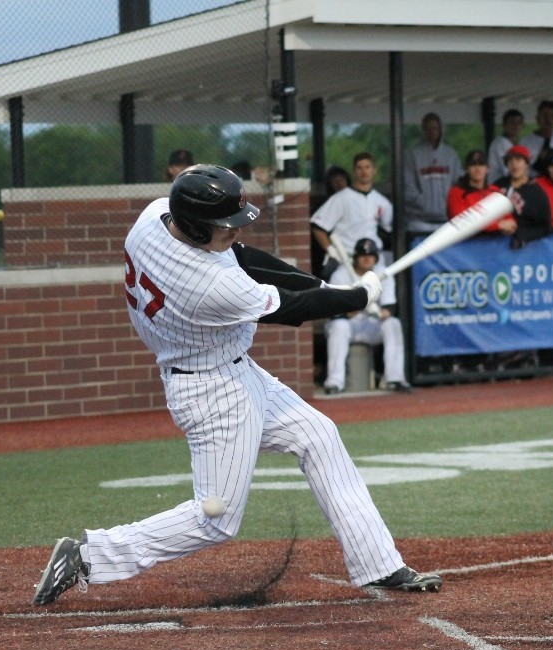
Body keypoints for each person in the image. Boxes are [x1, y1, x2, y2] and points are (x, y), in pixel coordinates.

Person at [32, 164, 441, 606]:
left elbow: (245, 257)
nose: (232, 230)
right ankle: (90, 556)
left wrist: (327, 285)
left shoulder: (155, 218)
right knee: (216, 521)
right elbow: (294, 310)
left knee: (318, 436)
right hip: (213, 393)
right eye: (223, 224)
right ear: (193, 225)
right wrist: (355, 296)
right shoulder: (209, 285)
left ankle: (378, 565)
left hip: (230, 370)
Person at [323, 239, 412, 395]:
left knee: (393, 324)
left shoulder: (383, 273)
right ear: (356, 257)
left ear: (376, 258)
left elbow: (389, 308)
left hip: (371, 324)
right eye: (363, 255)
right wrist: (360, 305)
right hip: (348, 325)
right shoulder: (341, 275)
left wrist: (377, 312)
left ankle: (395, 379)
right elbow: (334, 313)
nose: (367, 259)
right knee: (339, 327)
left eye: (371, 255)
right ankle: (334, 382)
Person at [311, 152, 394, 278]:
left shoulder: (383, 202)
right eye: (359, 168)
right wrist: (331, 251)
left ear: (374, 170)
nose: (364, 171)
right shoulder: (341, 198)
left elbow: (388, 229)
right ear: (354, 171)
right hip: (347, 260)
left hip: (373, 261)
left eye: (367, 167)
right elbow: (318, 227)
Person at [403, 112, 462, 234]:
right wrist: (422, 202)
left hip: (446, 220)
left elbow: (458, 184)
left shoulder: (451, 154)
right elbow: (407, 186)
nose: (432, 132)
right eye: (428, 128)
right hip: (419, 222)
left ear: (440, 130)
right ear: (423, 130)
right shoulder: (411, 154)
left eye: (435, 128)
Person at [493, 145, 552, 249]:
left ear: (526, 164)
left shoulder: (536, 193)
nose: (514, 164)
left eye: (518, 160)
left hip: (521, 249)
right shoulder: (498, 185)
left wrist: (521, 235)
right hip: (492, 243)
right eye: (510, 161)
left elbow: (545, 227)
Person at [447, 150, 515, 234]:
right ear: (466, 169)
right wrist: (497, 225)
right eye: (473, 165)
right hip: (467, 243)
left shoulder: (495, 191)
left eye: (481, 165)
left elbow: (509, 219)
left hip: (495, 242)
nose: (477, 169)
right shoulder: (456, 192)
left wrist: (509, 224)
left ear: (488, 169)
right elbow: (462, 222)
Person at [487, 108, 525, 184]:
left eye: (518, 123)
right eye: (512, 122)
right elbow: (508, 170)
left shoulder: (518, 143)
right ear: (504, 125)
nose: (515, 126)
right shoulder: (500, 143)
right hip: (498, 185)